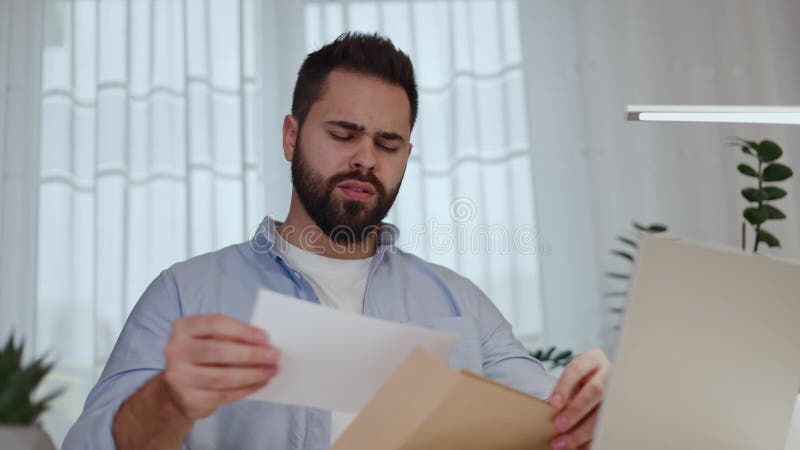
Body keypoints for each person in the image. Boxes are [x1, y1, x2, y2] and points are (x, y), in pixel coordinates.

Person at [63, 32, 609, 450]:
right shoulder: (186, 294)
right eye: (343, 134)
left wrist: (591, 410)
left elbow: (551, 427)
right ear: (291, 136)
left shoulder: (463, 305)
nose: (365, 159)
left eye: (388, 143)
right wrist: (166, 399)